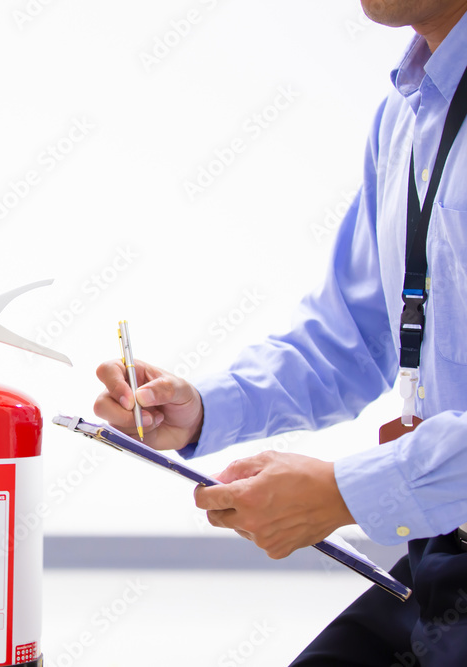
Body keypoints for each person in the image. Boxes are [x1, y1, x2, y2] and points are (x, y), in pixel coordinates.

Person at [93, 2, 467, 665]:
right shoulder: (408, 115)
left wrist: (342, 490)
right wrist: (202, 407)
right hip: (444, 540)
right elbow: (348, 337)